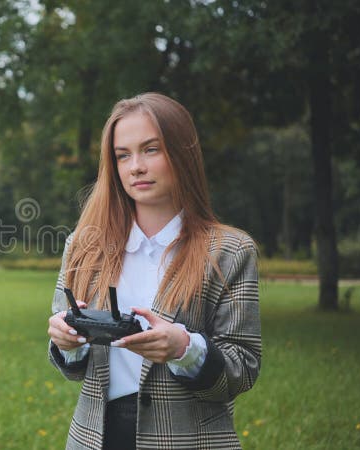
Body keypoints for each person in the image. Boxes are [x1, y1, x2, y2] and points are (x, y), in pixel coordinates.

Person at [47, 92, 261, 450]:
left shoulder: (230, 251)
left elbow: (243, 368)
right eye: (122, 155)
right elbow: (71, 367)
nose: (136, 167)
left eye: (151, 150)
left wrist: (184, 348)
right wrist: (66, 342)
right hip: (95, 438)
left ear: (182, 153)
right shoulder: (83, 246)